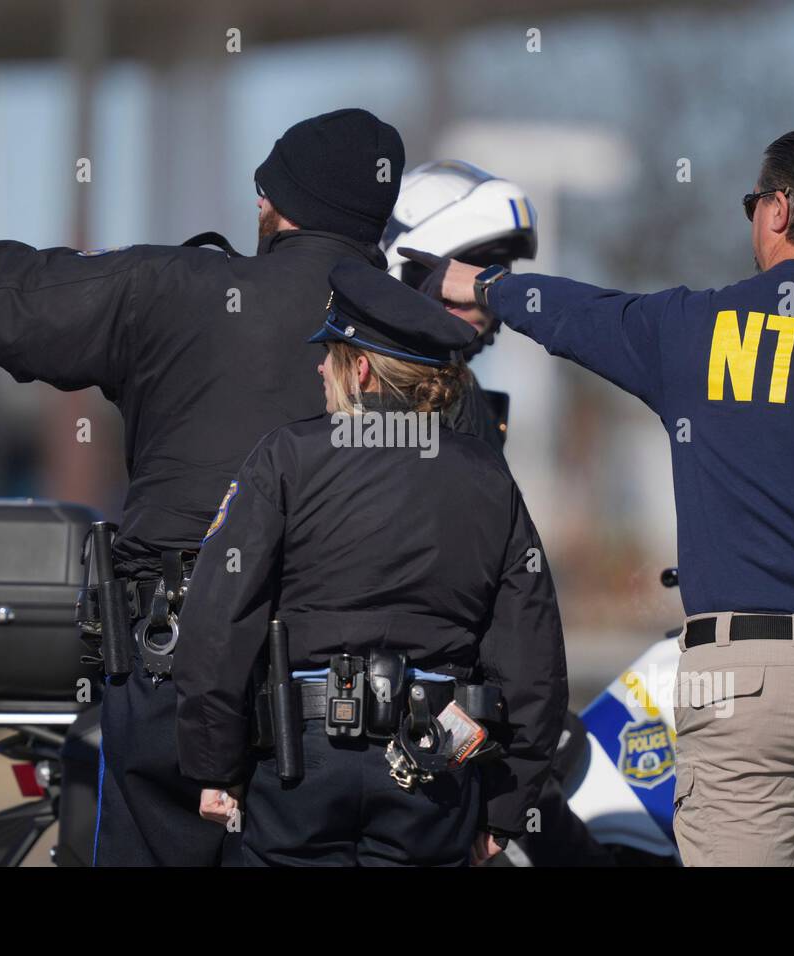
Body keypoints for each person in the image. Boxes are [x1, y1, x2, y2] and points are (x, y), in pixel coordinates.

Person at [0, 107, 406, 867]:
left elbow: (14, 296)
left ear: (274, 204)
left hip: (175, 673)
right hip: (360, 709)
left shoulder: (178, 290)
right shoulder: (423, 346)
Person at [403, 127, 794, 867]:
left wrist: (481, 284)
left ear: (778, 210)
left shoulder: (694, 328)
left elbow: (578, 315)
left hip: (735, 682)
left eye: (752, 201)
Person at [172, 259, 569, 866]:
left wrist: (213, 765)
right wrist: (507, 808)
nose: (317, 370)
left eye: (328, 355)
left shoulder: (287, 458)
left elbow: (218, 616)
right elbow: (532, 656)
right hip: (435, 761)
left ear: (359, 368)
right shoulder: (489, 478)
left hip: (298, 762)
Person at [383, 159, 537, 452]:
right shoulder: (358, 391)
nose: (471, 290)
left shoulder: (469, 405)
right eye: (455, 271)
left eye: (492, 274)